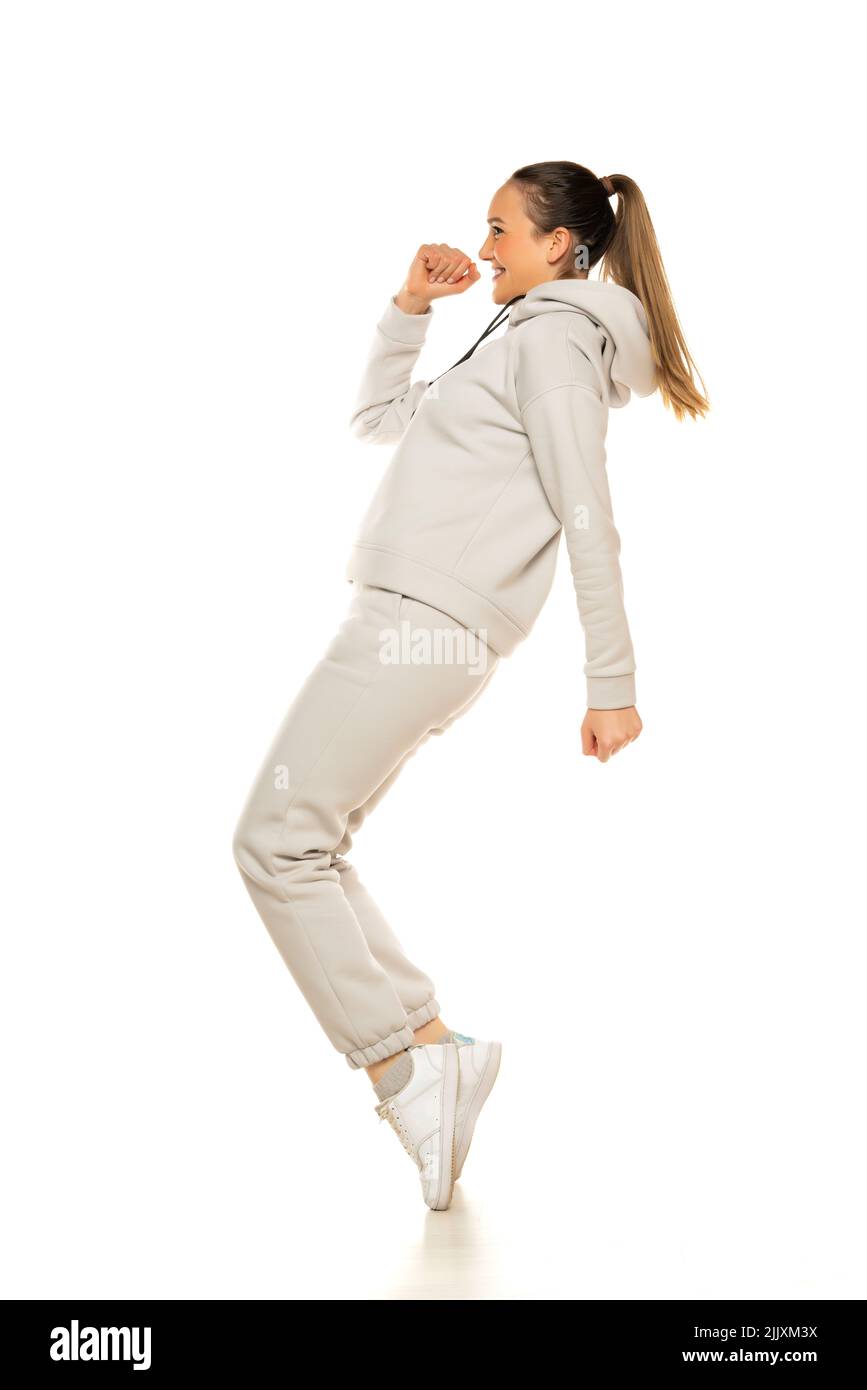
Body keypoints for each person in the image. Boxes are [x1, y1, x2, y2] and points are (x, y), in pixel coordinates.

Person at [232, 160, 709, 1211]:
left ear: (559, 247)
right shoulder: (523, 334)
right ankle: (434, 1046)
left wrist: (612, 682)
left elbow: (589, 513)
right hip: (420, 622)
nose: (482, 247)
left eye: (499, 230)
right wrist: (410, 308)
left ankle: (404, 1072)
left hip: (421, 623)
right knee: (309, 841)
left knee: (272, 842)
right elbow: (378, 419)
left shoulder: (550, 344)